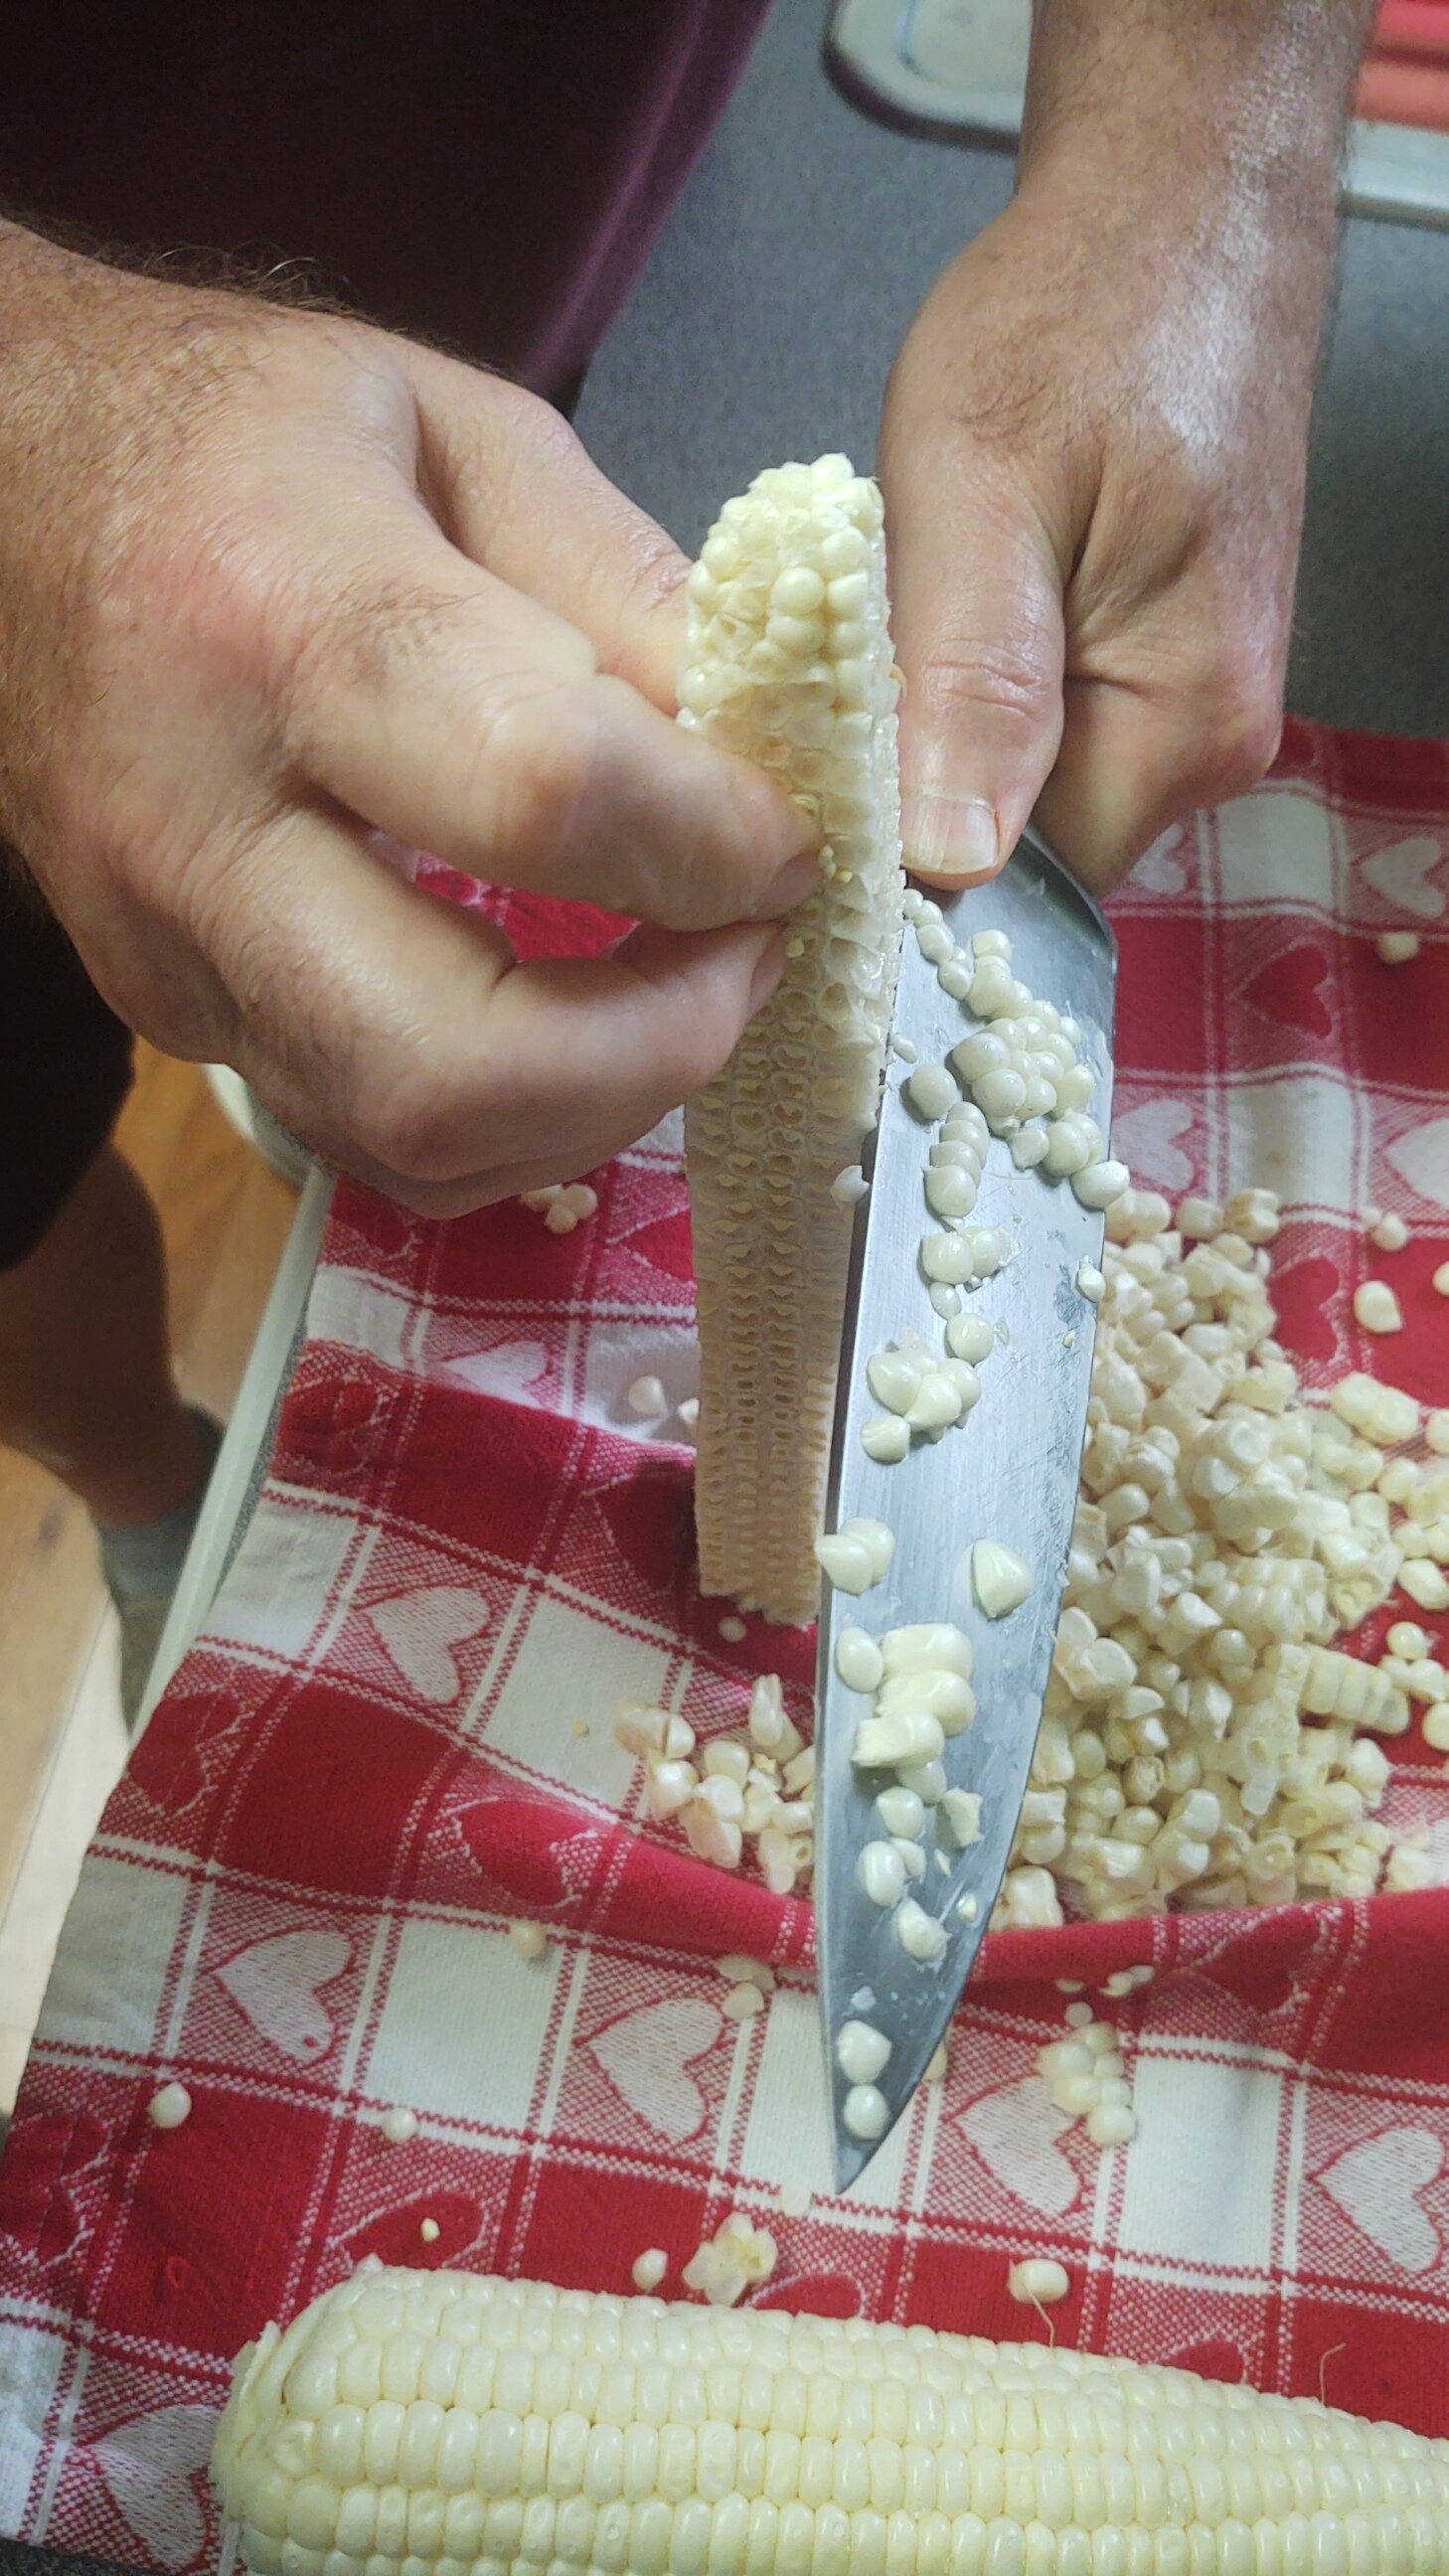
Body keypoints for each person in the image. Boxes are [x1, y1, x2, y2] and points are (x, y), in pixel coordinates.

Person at [0, 0, 1375, 1710]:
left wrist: (1199, 160)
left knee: (394, 865)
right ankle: (148, 1493)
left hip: (517, 238)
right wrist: (40, 431)